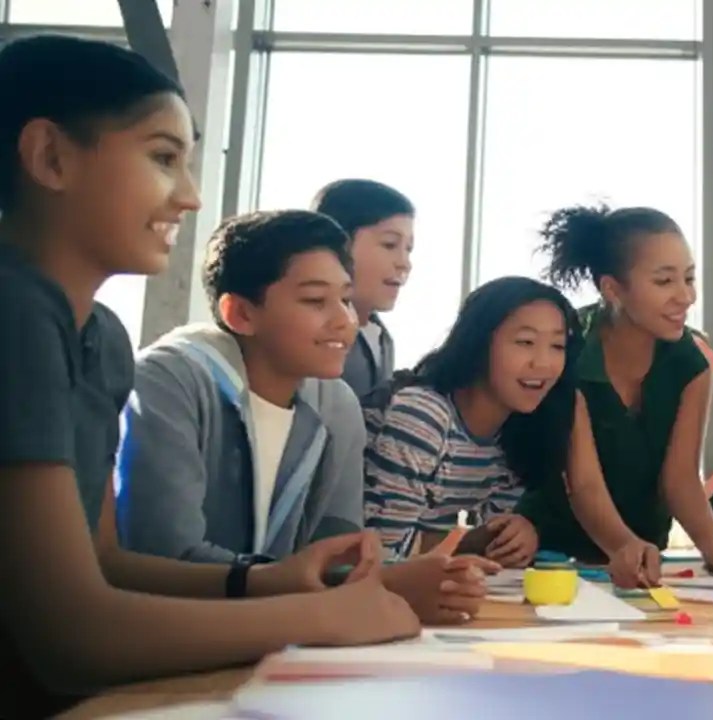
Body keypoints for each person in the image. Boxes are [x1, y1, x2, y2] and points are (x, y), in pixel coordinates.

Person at [0, 35, 417, 715]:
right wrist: (321, 619)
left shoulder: (101, 338)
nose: (190, 197)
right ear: (50, 155)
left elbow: (106, 563)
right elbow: (69, 635)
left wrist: (273, 581)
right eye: (163, 158)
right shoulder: (16, 308)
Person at [114, 209, 490, 624]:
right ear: (240, 313)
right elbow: (163, 557)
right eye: (315, 301)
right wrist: (378, 585)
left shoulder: (337, 406)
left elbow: (336, 554)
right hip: (170, 636)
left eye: (346, 299)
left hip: (275, 635)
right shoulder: (169, 381)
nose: (344, 322)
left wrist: (402, 576)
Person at [517, 204, 713, 588]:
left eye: (689, 278)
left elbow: (679, 478)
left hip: (641, 561)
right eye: (664, 282)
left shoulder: (692, 357)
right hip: (551, 559)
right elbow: (583, 484)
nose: (686, 297)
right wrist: (625, 545)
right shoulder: (568, 350)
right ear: (612, 289)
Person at [364, 276, 580, 569]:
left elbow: (479, 555)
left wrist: (508, 536)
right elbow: (380, 554)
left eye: (557, 345)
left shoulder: (519, 432)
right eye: (525, 342)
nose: (543, 363)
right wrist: (471, 543)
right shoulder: (422, 416)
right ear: (478, 343)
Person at [311, 178, 415, 399]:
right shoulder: (316, 333)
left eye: (409, 249)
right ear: (339, 244)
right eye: (389, 244)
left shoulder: (383, 340)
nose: (404, 263)